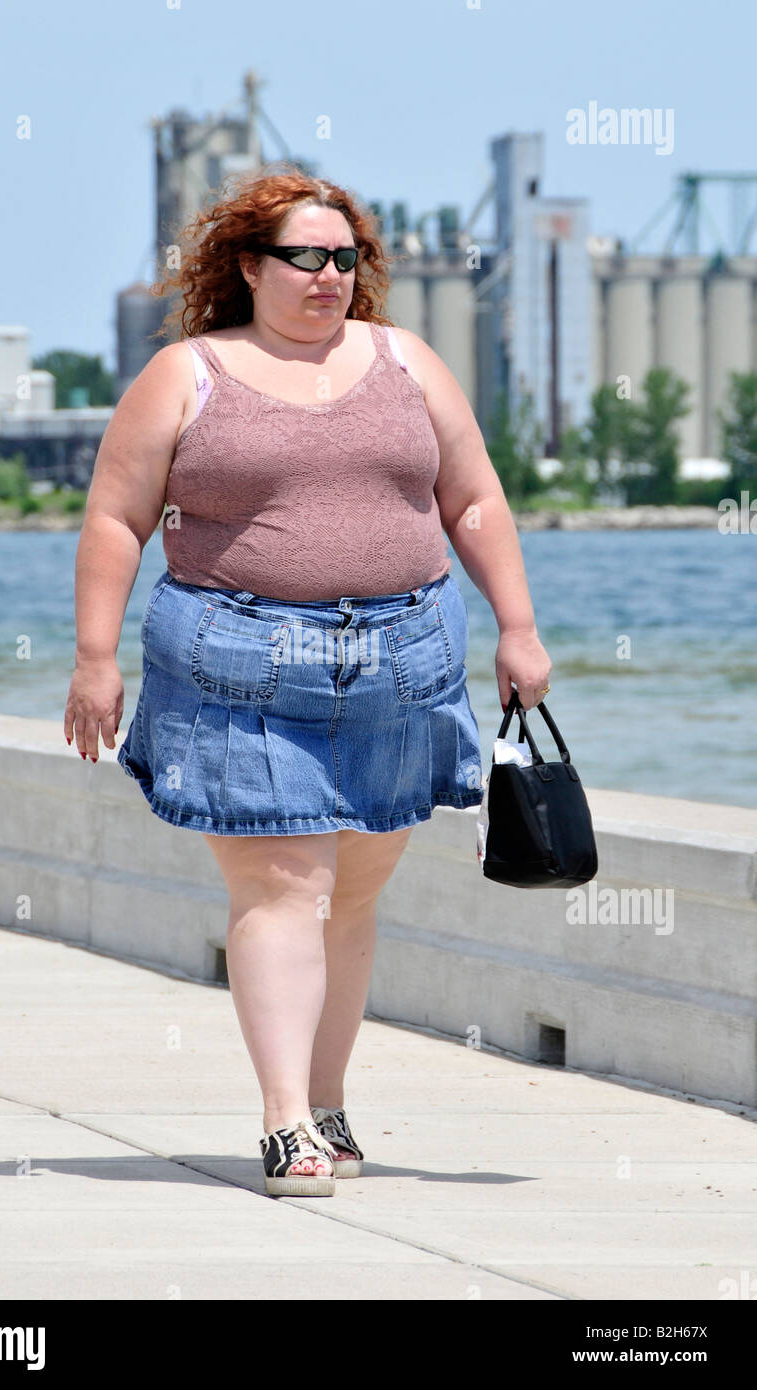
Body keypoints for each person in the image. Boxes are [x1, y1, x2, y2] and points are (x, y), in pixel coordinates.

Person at [63, 165, 551, 1198]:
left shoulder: (406, 362)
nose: (328, 275)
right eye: (304, 257)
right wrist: (94, 658)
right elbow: (116, 518)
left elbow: (471, 499)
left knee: (355, 895)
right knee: (285, 883)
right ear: (249, 266)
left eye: (344, 258)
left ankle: (326, 1097)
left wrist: (516, 625)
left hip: (403, 656)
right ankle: (284, 1121)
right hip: (236, 663)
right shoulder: (186, 374)